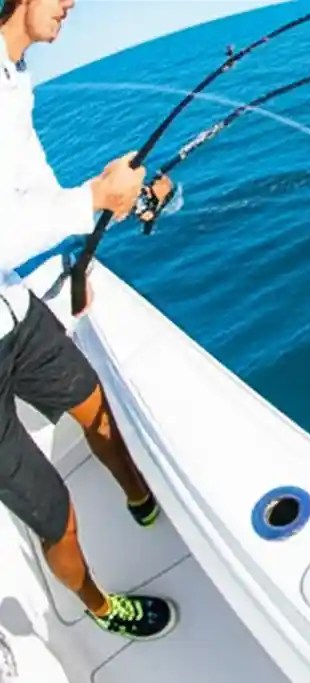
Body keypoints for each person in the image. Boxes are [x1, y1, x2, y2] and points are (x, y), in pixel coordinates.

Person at [2, 0, 176, 640]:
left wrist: (106, 197)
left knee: (94, 404)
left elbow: (34, 194)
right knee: (56, 515)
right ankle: (101, 608)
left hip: (13, 309)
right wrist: (90, 203)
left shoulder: (13, 79)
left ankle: (138, 493)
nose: (73, 3)